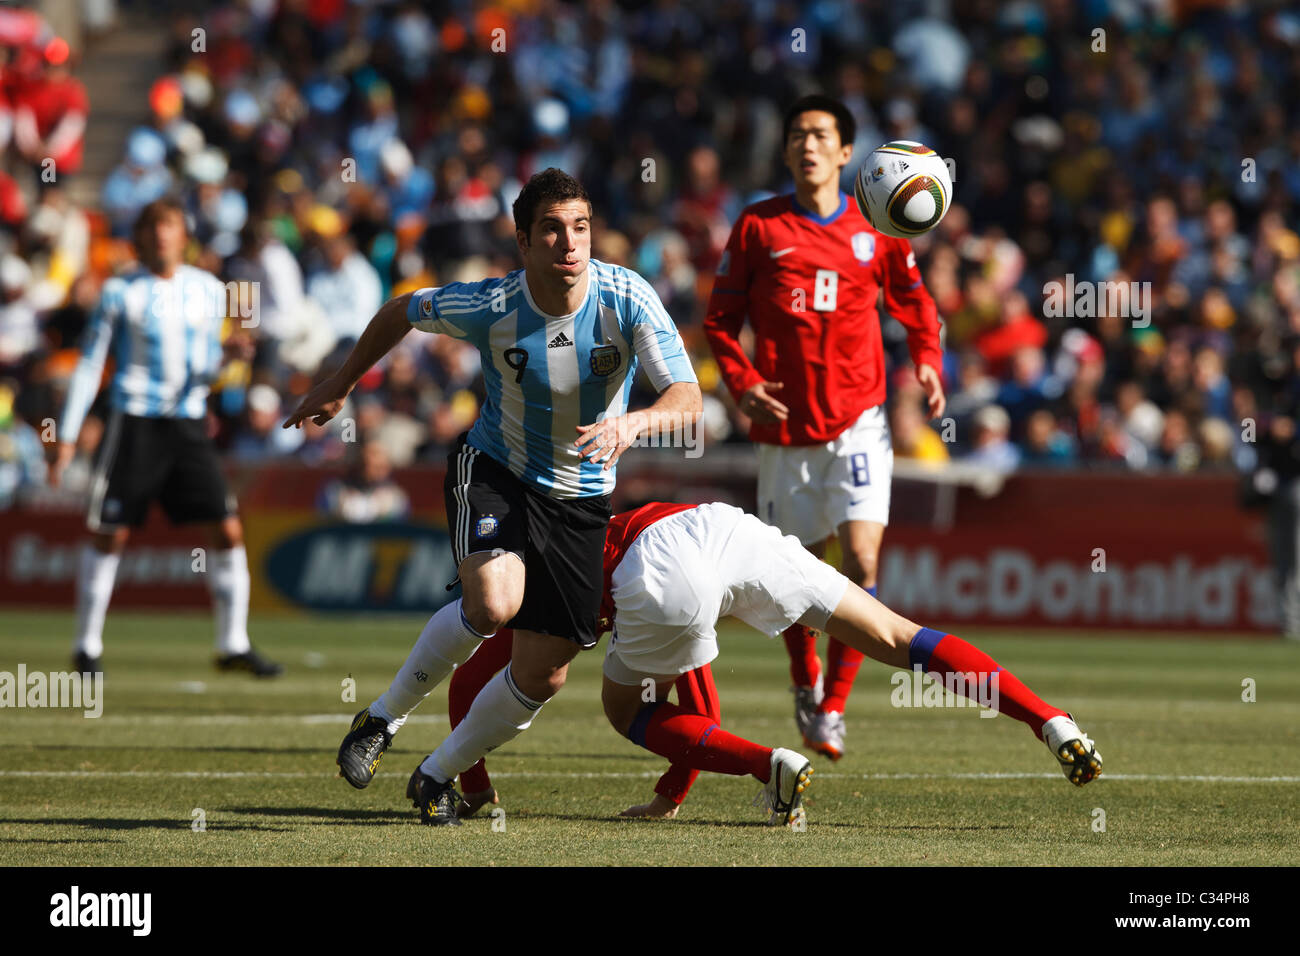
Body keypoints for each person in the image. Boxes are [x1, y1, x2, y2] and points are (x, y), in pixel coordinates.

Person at [286, 168, 702, 825]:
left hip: (581, 498)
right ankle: (382, 719)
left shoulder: (628, 298)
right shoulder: (492, 306)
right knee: (493, 604)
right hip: (496, 468)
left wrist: (635, 422)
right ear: (524, 241)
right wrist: (341, 382)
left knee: (545, 675)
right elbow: (402, 309)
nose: (571, 243)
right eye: (553, 229)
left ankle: (437, 774)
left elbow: (687, 396)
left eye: (582, 227)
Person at [437, 501, 1102, 827]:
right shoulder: (568, 538)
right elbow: (697, 686)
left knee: (625, 710)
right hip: (727, 529)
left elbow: (471, 684)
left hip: (659, 565)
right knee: (899, 635)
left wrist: (474, 792)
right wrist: (675, 792)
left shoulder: (530, 585)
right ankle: (1050, 719)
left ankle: (771, 766)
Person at [703, 94, 946, 760]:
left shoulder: (879, 228)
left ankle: (833, 708)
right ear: (786, 152)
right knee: (799, 579)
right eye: (797, 135)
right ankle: (803, 678)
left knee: (862, 562)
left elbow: (916, 305)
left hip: (860, 422)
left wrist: (927, 360)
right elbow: (719, 323)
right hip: (785, 435)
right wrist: (743, 383)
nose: (807, 145)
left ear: (846, 152)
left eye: (821, 134)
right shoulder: (758, 226)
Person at [46, 198, 282, 677]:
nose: (161, 236)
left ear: (183, 236)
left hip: (188, 423)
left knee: (226, 526)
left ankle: (232, 643)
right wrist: (67, 433)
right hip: (133, 420)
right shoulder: (120, 292)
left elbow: (209, 368)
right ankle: (86, 646)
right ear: (140, 237)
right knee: (110, 532)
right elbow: (91, 363)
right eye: (153, 227)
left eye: (170, 226)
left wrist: (231, 354)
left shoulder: (210, 291)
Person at [443, 627, 722, 820]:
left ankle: (762, 766)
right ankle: (474, 784)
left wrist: (671, 794)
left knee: (649, 710)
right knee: (467, 681)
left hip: (635, 578)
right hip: (580, 575)